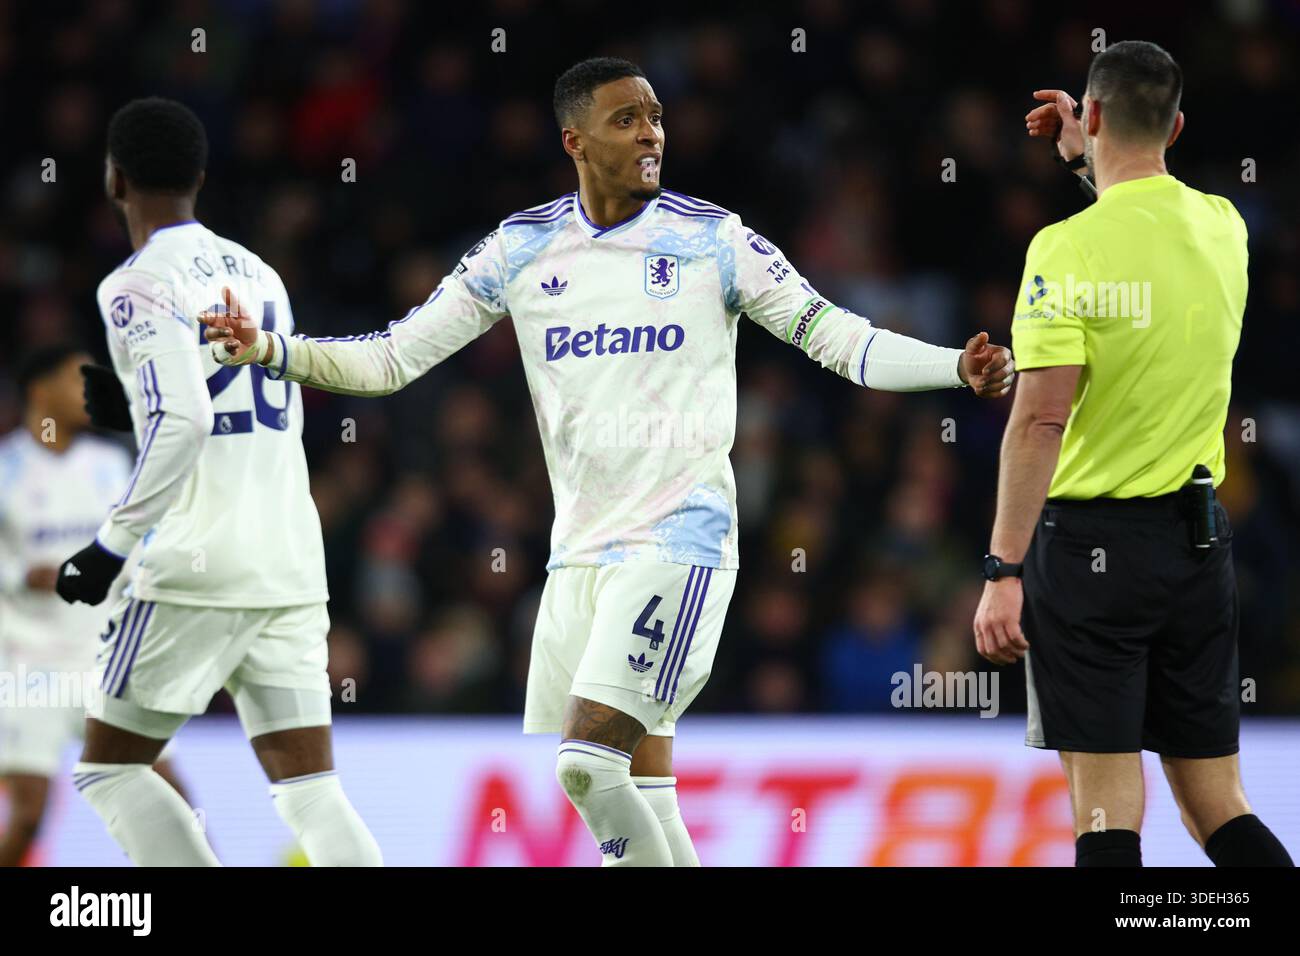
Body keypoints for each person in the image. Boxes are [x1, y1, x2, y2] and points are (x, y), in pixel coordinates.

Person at [206, 57, 1014, 867]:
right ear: (576, 141)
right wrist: (273, 349)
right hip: (580, 554)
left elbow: (836, 336)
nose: (651, 132)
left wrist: (955, 366)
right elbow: (391, 360)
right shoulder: (521, 249)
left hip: (679, 541)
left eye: (656, 116)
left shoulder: (711, 240)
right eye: (626, 119)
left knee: (587, 767)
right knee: (645, 789)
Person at [975, 41, 1293, 867]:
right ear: (1178, 125)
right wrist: (1092, 155)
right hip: (1198, 546)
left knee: (1107, 807)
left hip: (1090, 557)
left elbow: (1041, 421)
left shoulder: (1063, 249)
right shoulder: (1226, 227)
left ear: (1097, 114)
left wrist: (1002, 570)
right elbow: (1146, 223)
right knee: (1217, 803)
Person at [56, 97, 381, 866]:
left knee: (110, 766)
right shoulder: (259, 271)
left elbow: (190, 421)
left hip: (195, 563)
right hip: (289, 556)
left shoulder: (133, 283)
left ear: (114, 179)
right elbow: (227, 393)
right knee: (310, 788)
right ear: (200, 176)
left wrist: (109, 546)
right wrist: (135, 404)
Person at [0, 344, 189, 866]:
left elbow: (140, 546)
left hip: (105, 661)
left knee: (172, 799)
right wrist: (20, 575)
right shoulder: (7, 470)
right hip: (28, 665)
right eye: (74, 379)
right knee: (30, 814)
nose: (88, 390)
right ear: (40, 391)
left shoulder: (109, 463)